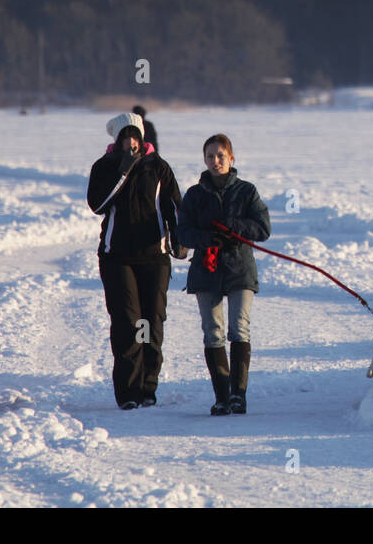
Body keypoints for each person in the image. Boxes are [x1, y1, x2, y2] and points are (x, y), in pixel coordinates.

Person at [87, 112, 184, 410]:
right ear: (116, 140)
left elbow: (173, 205)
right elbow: (98, 205)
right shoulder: (104, 167)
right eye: (124, 137)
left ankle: (147, 387)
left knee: (151, 321)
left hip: (154, 257)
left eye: (134, 136)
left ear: (142, 138)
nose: (130, 142)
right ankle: (128, 391)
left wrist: (179, 239)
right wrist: (123, 171)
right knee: (128, 323)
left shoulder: (158, 167)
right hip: (117, 258)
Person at [176, 134, 270, 415]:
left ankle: (238, 394)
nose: (215, 161)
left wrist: (234, 227)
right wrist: (206, 239)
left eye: (220, 156)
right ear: (204, 159)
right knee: (212, 333)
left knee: (238, 328)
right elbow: (183, 232)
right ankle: (222, 397)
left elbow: (263, 229)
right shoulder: (194, 195)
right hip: (206, 270)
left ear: (231, 158)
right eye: (209, 156)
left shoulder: (247, 191)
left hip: (240, 269)